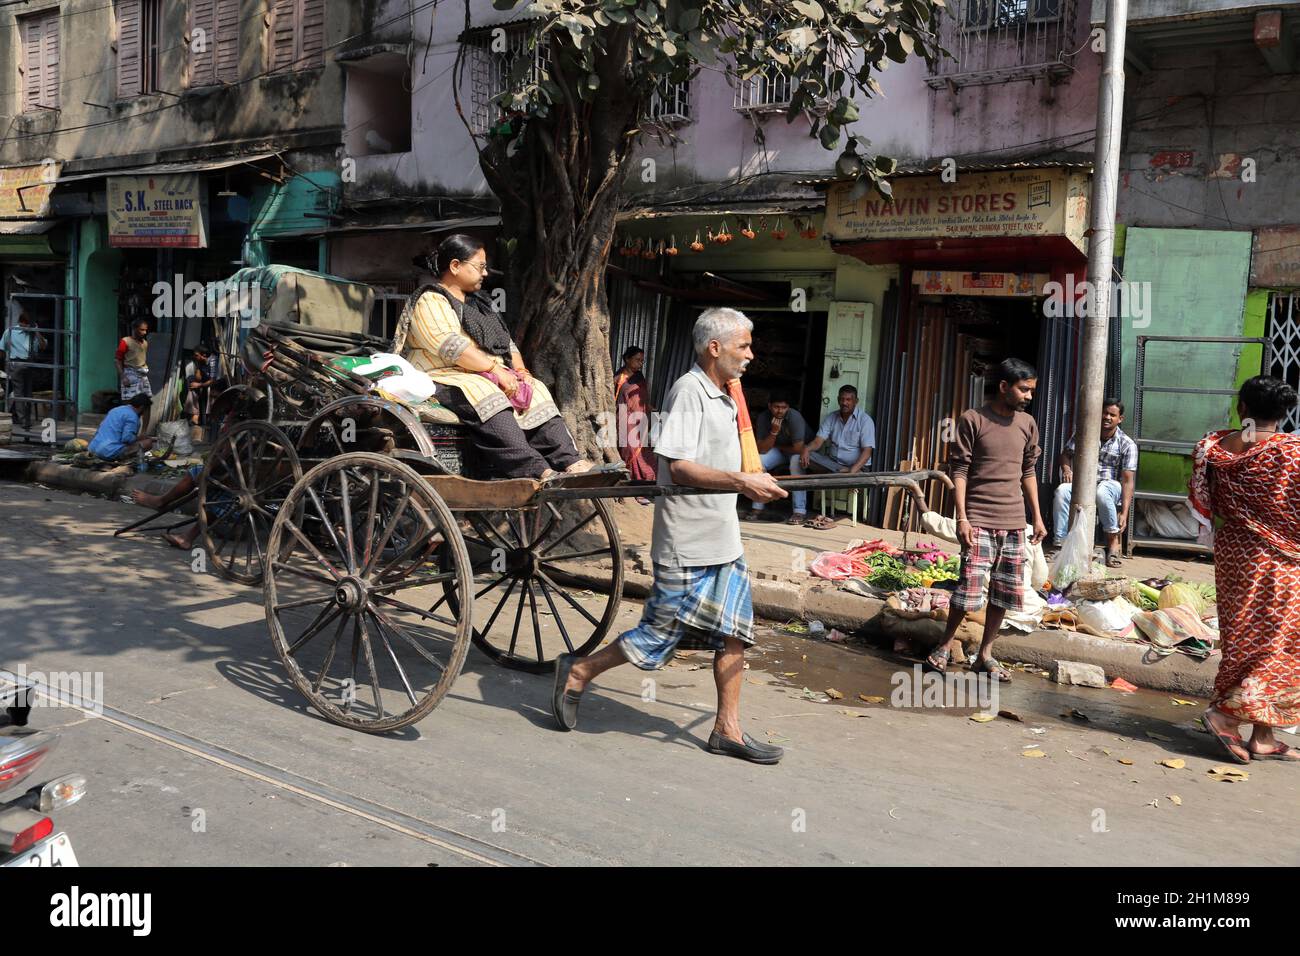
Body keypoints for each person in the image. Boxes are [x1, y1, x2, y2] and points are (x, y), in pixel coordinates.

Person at [552, 307, 788, 764]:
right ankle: (578, 670)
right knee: (657, 634)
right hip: (686, 541)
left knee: (734, 634)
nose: (751, 355)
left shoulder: (727, 395)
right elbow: (677, 468)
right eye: (743, 346)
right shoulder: (689, 392)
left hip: (724, 539)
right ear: (714, 348)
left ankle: (728, 729)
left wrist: (749, 479)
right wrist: (743, 481)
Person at [400, 234, 592, 480]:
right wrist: (496, 371)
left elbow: (507, 344)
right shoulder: (429, 299)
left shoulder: (480, 304)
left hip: (485, 373)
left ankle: (570, 462)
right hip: (443, 376)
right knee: (483, 390)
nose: (486, 273)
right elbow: (452, 347)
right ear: (455, 266)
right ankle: (536, 469)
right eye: (480, 267)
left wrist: (521, 373)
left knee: (537, 388)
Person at [1190, 375, 1300, 763]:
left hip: (1234, 553)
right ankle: (1223, 716)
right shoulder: (1292, 453)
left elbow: (1201, 500)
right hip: (1280, 562)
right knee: (1278, 647)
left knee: (1244, 641)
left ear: (1242, 408)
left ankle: (1264, 736)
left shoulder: (1214, 446)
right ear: (1284, 412)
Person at [923, 358, 1047, 683]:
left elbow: (1028, 471)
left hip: (1014, 521)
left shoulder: (1027, 425)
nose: (1029, 396)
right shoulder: (972, 419)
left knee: (1004, 593)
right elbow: (959, 470)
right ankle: (945, 644)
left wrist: (1036, 516)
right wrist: (962, 518)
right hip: (978, 518)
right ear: (1004, 387)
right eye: (1024, 389)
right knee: (968, 590)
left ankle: (985, 655)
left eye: (1031, 390)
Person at [1052, 397, 1137, 567]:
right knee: (1062, 491)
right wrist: (1067, 470)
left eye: (1112, 415)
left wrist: (1125, 512)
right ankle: (1059, 544)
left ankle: (1113, 545)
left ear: (1120, 419)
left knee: (1102, 492)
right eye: (1104, 413)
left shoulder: (1127, 444)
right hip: (1083, 483)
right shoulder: (1084, 433)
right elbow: (1066, 454)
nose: (1107, 417)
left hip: (1109, 485)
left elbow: (1128, 481)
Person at [797, 384, 875, 529]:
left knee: (851, 470)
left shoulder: (865, 421)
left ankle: (844, 474)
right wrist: (806, 449)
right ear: (838, 399)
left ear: (855, 401)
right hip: (834, 464)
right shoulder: (831, 417)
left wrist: (852, 472)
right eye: (842, 399)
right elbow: (818, 442)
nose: (844, 402)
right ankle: (839, 473)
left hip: (859, 467)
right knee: (802, 457)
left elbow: (867, 452)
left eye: (848, 399)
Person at [743, 391, 810, 525]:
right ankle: (757, 507)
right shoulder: (764, 417)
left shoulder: (794, 417)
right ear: (769, 406)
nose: (780, 411)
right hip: (779, 450)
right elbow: (762, 449)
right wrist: (774, 432)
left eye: (784, 407)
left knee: (795, 462)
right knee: (759, 461)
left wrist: (778, 446)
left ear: (788, 407)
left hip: (799, 453)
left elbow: (798, 448)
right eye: (776, 407)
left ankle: (799, 510)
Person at [613, 346, 656, 498]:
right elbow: (615, 400)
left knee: (644, 449)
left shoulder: (639, 377)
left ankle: (647, 481)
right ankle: (635, 483)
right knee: (630, 449)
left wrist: (649, 407)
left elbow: (641, 398)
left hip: (641, 419)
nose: (640, 364)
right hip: (625, 419)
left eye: (642, 361)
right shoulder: (618, 379)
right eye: (637, 360)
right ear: (627, 359)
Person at [0, 312, 45, 430]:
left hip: (29, 364)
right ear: (22, 323)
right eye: (27, 325)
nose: (28, 327)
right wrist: (6, 364)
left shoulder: (33, 333)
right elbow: (2, 348)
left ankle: (22, 417)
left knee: (27, 392)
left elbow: (43, 346)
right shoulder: (10, 331)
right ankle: (23, 420)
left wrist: (36, 331)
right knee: (19, 392)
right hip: (16, 364)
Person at [87, 393, 155, 462]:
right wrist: (140, 438)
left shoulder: (116, 410)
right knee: (148, 443)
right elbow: (127, 439)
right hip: (107, 452)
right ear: (142, 407)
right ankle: (126, 460)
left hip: (93, 448)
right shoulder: (133, 417)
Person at [116, 319, 152, 431]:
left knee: (147, 403)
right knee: (129, 404)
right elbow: (117, 360)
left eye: (146, 330)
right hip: (130, 373)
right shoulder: (125, 341)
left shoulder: (145, 343)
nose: (144, 333)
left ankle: (144, 432)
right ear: (135, 329)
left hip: (142, 375)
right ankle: (127, 430)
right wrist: (123, 376)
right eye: (142, 330)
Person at [183, 345, 215, 428]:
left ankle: (201, 417)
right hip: (204, 382)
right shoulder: (201, 361)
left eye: (196, 355)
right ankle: (195, 414)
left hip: (214, 384)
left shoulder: (212, 361)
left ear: (204, 355)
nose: (195, 357)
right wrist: (198, 365)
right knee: (191, 381)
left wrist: (199, 385)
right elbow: (198, 378)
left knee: (201, 387)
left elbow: (212, 381)